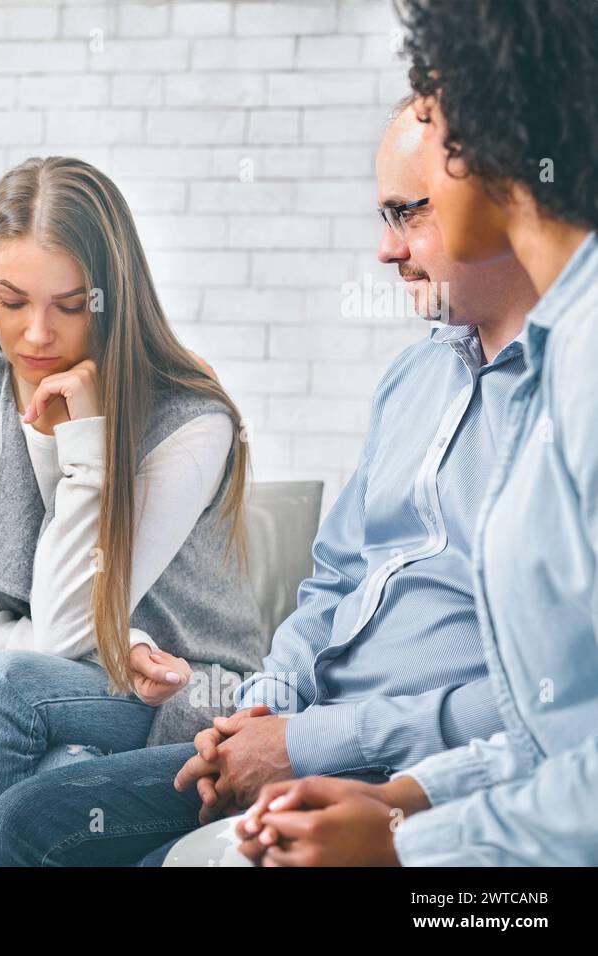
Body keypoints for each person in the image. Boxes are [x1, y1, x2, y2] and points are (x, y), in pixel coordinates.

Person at [0, 97, 539, 867]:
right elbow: (334, 581)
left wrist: (306, 740)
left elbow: (542, 702)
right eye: (383, 217)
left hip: (406, 763)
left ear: (503, 198)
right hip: (303, 728)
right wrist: (267, 710)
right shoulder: (413, 378)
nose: (385, 251)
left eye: (408, 215)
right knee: (28, 821)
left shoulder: (564, 405)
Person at [238, 0, 598, 867]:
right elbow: (553, 727)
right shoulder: (554, 350)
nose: (393, 241)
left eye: (444, 128)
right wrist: (400, 804)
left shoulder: (580, 361)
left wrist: (410, 847)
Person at [0, 156, 264, 866]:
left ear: (111, 296)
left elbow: (68, 618)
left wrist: (85, 443)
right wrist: (114, 640)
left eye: (70, 306)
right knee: (34, 737)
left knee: (6, 703)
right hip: (42, 698)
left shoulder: (189, 417)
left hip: (181, 695)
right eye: (12, 301)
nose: (37, 335)